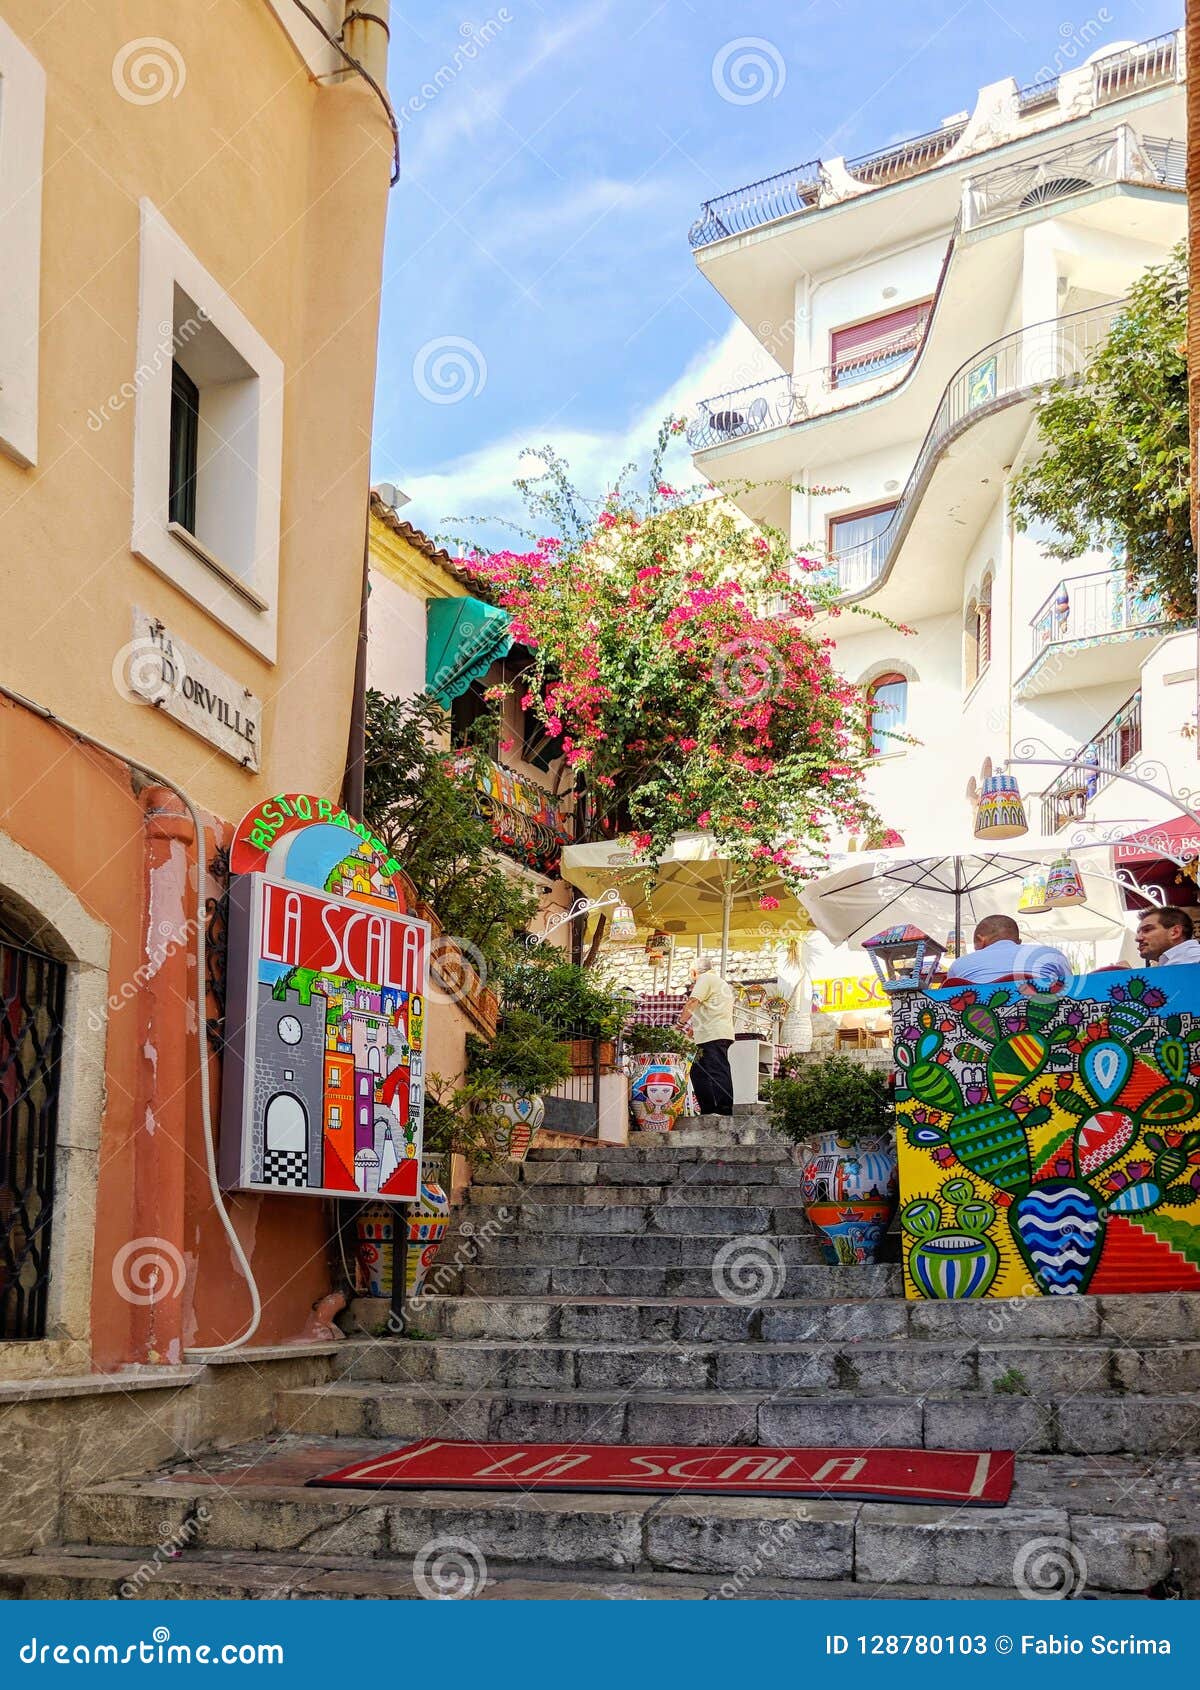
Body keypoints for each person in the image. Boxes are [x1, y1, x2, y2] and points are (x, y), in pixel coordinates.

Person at [943, 913, 1070, 989]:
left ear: (980, 939)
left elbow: (947, 1001)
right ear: (1018, 942)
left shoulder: (959, 964)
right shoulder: (1051, 955)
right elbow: (1072, 992)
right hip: (1044, 1023)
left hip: (979, 1023)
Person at [679, 956, 736, 1116]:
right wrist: (693, 1029)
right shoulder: (719, 982)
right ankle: (709, 1109)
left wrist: (679, 1023)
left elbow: (693, 1002)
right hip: (713, 1033)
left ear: (693, 972)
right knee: (699, 1072)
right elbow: (711, 1009)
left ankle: (722, 1109)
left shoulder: (704, 979)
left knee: (715, 1070)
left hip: (712, 1034)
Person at [1135, 906, 1200, 966]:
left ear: (1175, 932)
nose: (1137, 938)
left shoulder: (1193, 958)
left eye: (1147, 930)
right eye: (1138, 933)